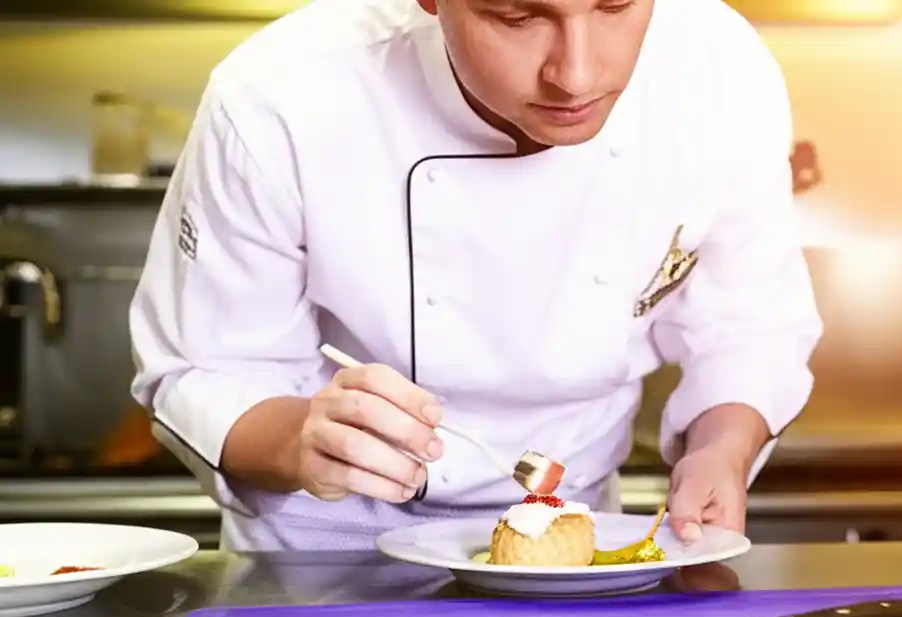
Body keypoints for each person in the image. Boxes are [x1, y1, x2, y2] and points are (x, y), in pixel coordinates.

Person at [129, 0, 823, 551]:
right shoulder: (281, 95)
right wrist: (301, 439)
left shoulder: (719, 70)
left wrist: (722, 450)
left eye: (615, 6)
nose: (576, 74)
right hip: (330, 553)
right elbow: (202, 368)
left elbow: (749, 324)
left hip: (571, 540)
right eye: (518, 17)